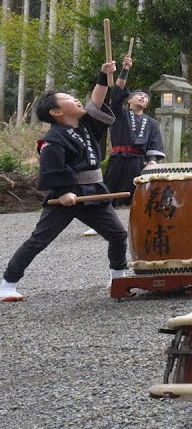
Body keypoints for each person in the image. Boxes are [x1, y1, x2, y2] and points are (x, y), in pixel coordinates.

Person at [2, 62, 129, 302]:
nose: (77, 100)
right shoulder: (53, 139)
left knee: (118, 234)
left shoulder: (85, 126)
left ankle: (118, 277)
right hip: (66, 195)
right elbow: (52, 169)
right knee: (40, 239)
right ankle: (7, 283)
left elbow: (98, 102)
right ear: (56, 112)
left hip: (93, 191)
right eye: (68, 98)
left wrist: (103, 74)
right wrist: (63, 192)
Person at [102, 55, 165, 206]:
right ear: (129, 100)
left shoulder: (151, 123)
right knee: (109, 195)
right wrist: (125, 70)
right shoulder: (120, 113)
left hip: (138, 162)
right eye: (138, 95)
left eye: (145, 97)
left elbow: (154, 144)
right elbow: (117, 93)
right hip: (118, 159)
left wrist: (151, 162)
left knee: (139, 198)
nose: (143, 98)